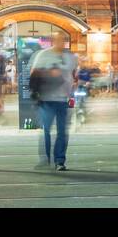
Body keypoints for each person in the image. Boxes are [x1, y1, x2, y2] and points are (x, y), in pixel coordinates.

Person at [30, 35, 78, 170]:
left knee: (62, 131)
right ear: (53, 42)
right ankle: (45, 158)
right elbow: (34, 73)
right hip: (46, 99)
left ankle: (60, 160)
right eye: (58, 40)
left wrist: (72, 91)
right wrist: (49, 74)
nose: (61, 43)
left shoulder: (70, 57)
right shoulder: (43, 55)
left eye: (63, 41)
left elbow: (74, 75)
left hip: (64, 99)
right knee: (46, 130)